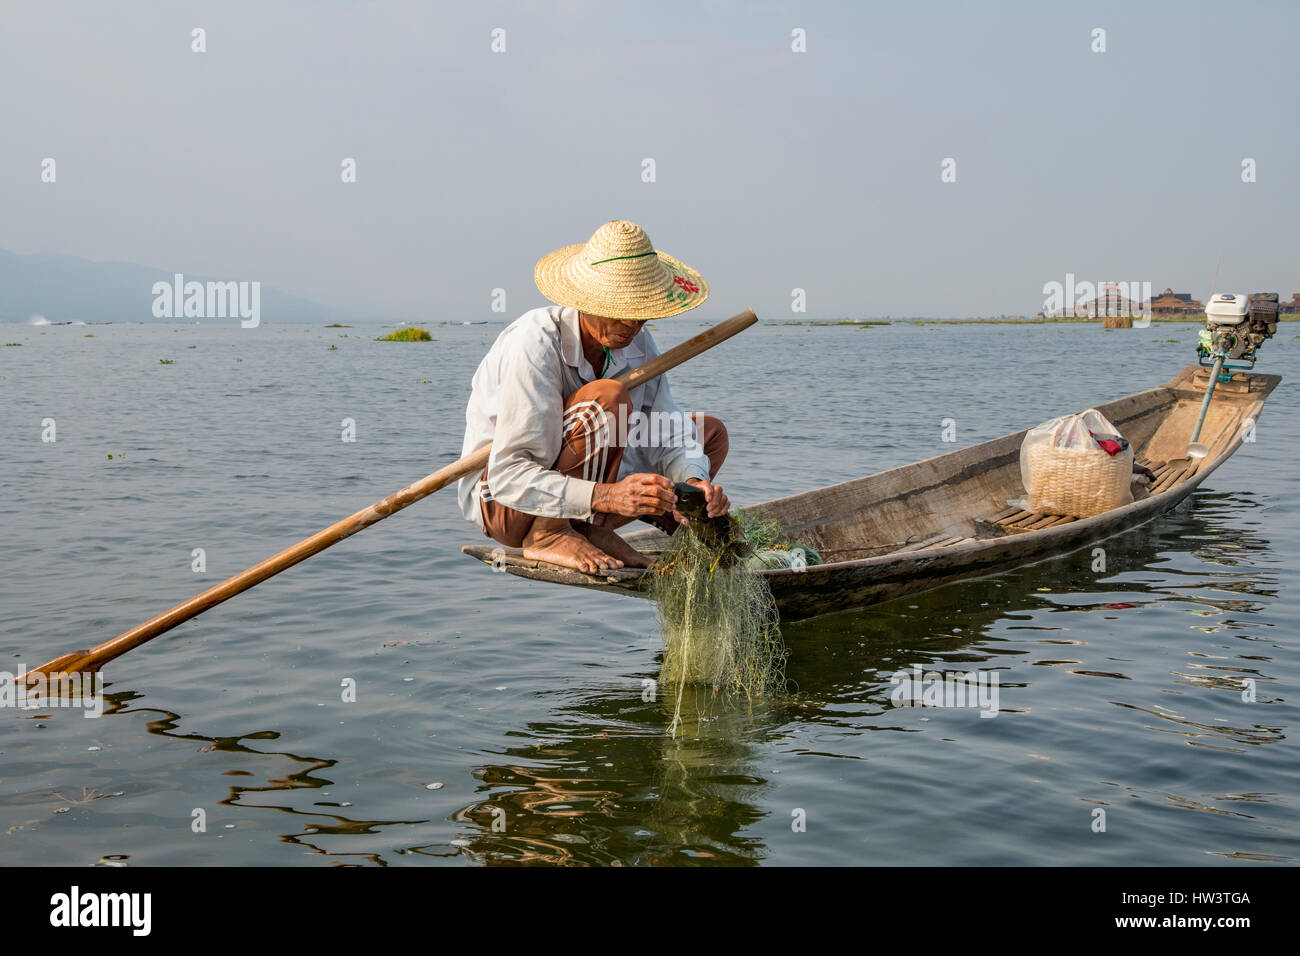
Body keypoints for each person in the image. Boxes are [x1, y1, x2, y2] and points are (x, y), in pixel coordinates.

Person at [457, 220, 730, 573]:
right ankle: (549, 535)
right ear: (585, 301)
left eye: (639, 312)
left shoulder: (639, 343)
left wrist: (693, 484)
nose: (631, 325)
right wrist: (608, 496)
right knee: (609, 398)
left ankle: (592, 528)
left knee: (708, 434)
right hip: (505, 502)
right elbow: (509, 476)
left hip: (581, 496)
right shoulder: (536, 342)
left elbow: (666, 430)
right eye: (619, 310)